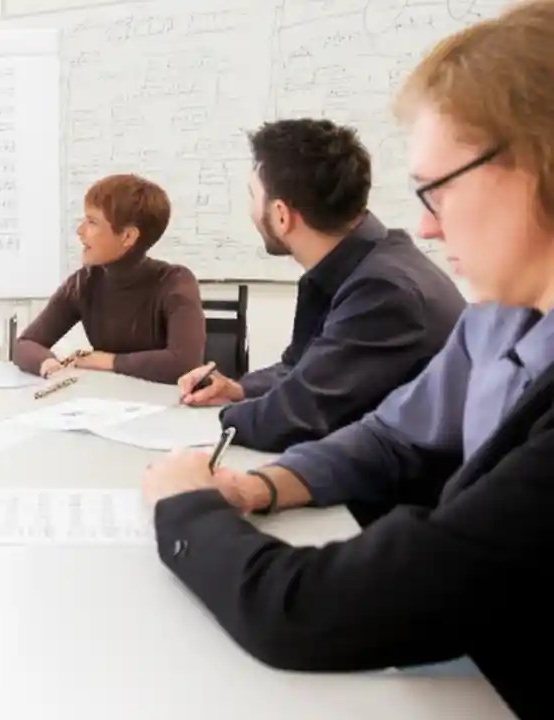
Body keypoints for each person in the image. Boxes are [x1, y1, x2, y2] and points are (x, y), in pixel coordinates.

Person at [142, 3, 554, 716]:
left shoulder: (398, 286)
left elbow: (306, 611)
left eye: (438, 187)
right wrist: (263, 486)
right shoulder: (498, 319)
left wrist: (185, 510)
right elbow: (394, 430)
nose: (424, 223)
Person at [175, 119, 465, 452]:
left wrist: (200, 422)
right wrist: (239, 390)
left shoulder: (384, 292)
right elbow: (300, 368)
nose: (250, 210)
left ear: (282, 216)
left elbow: (295, 418)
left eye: (253, 196)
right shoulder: (357, 265)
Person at [13, 174, 205, 383]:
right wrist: (49, 365)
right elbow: (25, 344)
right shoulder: (84, 283)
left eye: (92, 222)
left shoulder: (175, 281)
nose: (80, 231)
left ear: (128, 237)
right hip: (109, 403)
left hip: (168, 405)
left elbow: (185, 363)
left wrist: (107, 361)